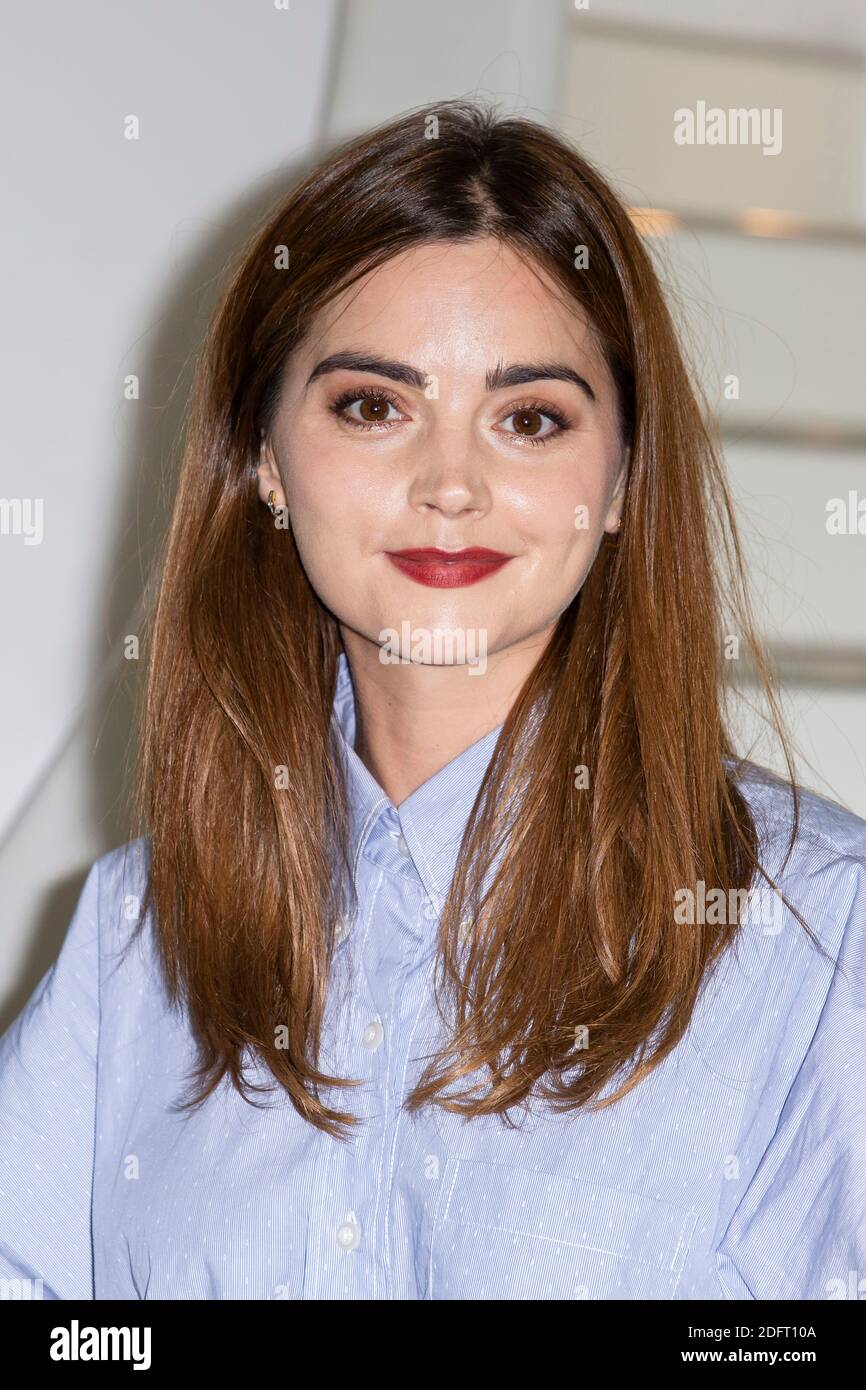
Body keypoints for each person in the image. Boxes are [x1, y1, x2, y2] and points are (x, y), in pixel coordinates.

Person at [1, 99, 864, 1302]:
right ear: (262, 458)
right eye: (372, 404)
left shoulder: (825, 942)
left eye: (527, 418)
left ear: (619, 478)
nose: (448, 484)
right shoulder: (131, 937)